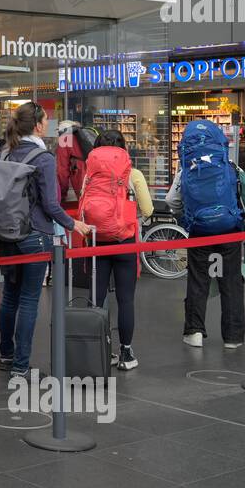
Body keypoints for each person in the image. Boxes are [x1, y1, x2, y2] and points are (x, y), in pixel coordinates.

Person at [0, 103, 91, 380]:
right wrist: (74, 224)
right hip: (35, 234)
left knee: (9, 295)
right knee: (29, 299)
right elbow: (51, 204)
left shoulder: (6, 151)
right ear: (37, 125)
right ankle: (21, 365)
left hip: (7, 233)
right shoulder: (43, 158)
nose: (48, 123)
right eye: (46, 119)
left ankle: (7, 354)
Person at [167, 119, 245, 351]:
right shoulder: (228, 165)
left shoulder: (186, 169)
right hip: (229, 231)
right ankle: (233, 337)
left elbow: (172, 200)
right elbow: (240, 193)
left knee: (198, 280)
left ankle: (194, 332)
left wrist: (185, 218)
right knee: (231, 281)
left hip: (200, 230)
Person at [78, 129, 153, 371]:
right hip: (125, 240)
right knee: (125, 299)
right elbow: (148, 209)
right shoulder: (133, 173)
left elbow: (83, 204)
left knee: (96, 299)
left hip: (96, 240)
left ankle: (99, 350)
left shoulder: (90, 173)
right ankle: (126, 353)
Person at [56, 119, 89, 202]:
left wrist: (62, 194)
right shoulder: (85, 134)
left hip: (81, 176)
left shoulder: (65, 138)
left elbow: (62, 169)